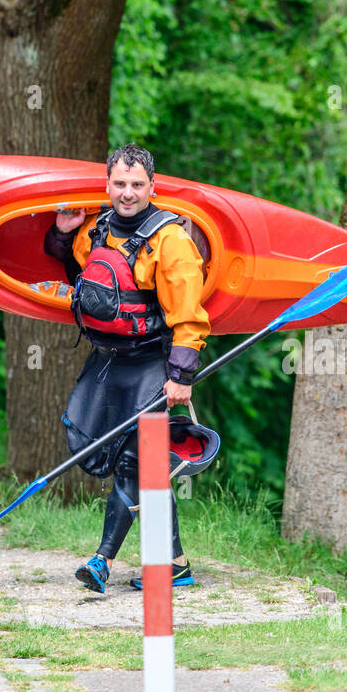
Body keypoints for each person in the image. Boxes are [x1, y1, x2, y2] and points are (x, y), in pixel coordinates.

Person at [43, 143, 210, 594]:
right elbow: (77, 267)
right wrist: (62, 232)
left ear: (152, 187)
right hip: (106, 362)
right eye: (120, 184)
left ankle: (101, 562)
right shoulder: (98, 229)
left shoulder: (170, 241)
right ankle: (174, 564)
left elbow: (188, 315)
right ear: (108, 185)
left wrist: (181, 376)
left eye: (137, 185)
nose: (128, 193)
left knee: (137, 463)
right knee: (111, 452)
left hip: (150, 365)